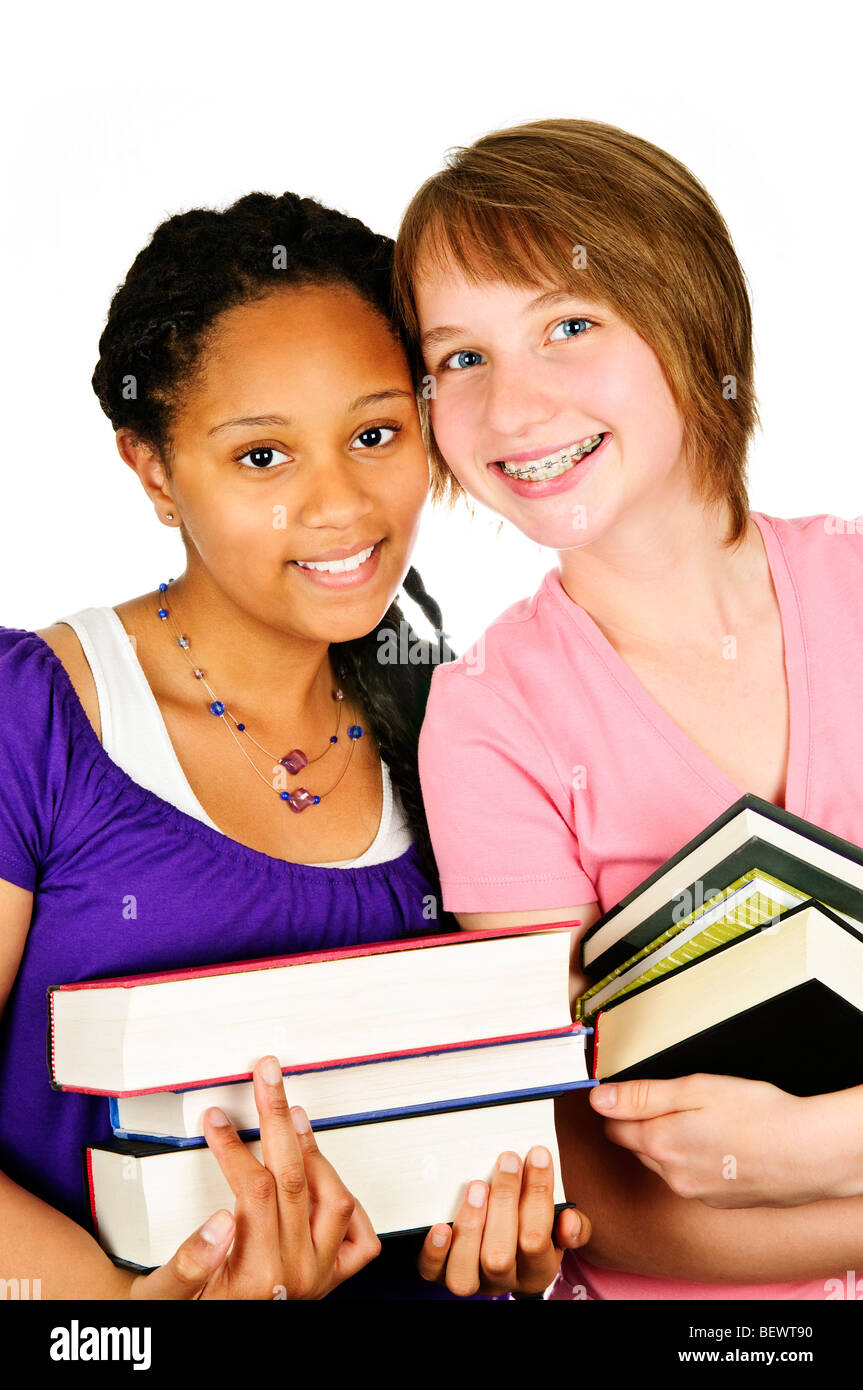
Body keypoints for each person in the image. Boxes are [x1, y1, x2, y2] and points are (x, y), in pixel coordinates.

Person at [0, 191, 589, 1300]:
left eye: (375, 435)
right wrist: (126, 1314)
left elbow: (482, 1110)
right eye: (262, 456)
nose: (339, 505)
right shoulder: (30, 714)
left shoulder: (458, 732)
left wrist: (497, 1255)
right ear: (153, 469)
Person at [393, 118, 863, 1299]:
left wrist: (833, 1147)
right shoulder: (492, 722)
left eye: (567, 325)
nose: (510, 409)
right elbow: (582, 1185)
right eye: (459, 357)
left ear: (690, 315)